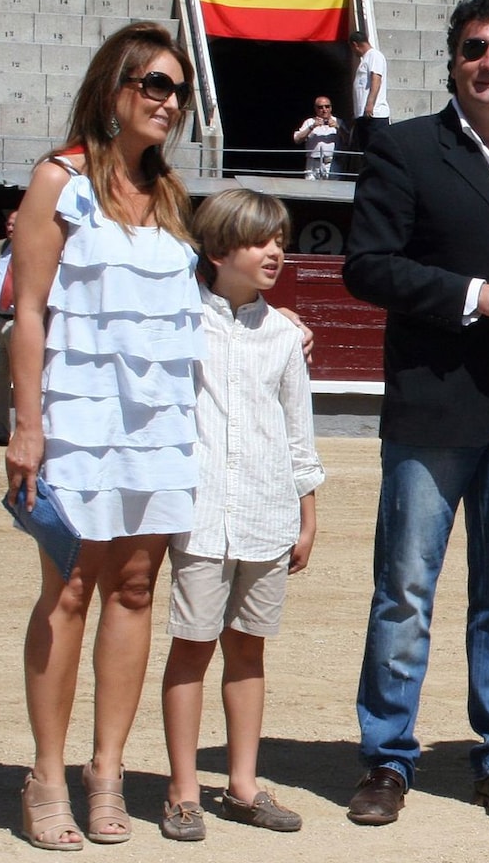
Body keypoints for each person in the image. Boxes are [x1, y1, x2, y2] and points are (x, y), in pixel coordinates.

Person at [342, 0, 489, 825]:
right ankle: (386, 758)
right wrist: (484, 296)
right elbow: (367, 266)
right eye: (476, 47)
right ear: (454, 60)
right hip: (434, 403)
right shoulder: (405, 148)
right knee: (405, 587)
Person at [7, 22, 203, 850]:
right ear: (114, 87)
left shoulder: (170, 194)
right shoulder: (60, 180)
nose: (168, 101)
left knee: (134, 588)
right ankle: (46, 779)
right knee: (69, 588)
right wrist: (27, 425)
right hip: (78, 417)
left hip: (158, 423)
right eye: (153, 83)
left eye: (179, 90)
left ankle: (107, 771)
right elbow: (27, 309)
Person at [160, 189, 325, 842]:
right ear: (218, 250)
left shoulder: (284, 335)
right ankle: (179, 789)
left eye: (279, 240)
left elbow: (298, 435)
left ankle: (243, 784)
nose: (276, 252)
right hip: (199, 514)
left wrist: (307, 516)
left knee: (249, 651)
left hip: (266, 512)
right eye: (261, 241)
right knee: (192, 646)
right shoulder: (180, 322)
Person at [0, 209, 17, 444]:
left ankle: (22, 431)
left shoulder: (36, 249)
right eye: (8, 223)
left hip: (18, 321)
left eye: (15, 224)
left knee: (22, 378)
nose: (10, 228)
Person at [349, 30, 390, 153]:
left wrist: (370, 104)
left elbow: (376, 79)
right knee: (365, 152)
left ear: (355, 45)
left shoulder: (374, 55)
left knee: (375, 151)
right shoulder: (365, 59)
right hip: (364, 116)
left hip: (373, 115)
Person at [293, 96, 348, 179]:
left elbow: (349, 140)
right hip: (313, 163)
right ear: (315, 108)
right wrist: (312, 127)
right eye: (320, 107)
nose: (324, 110)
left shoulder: (338, 121)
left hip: (332, 163)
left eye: (327, 106)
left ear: (331, 107)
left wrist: (338, 127)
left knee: (333, 189)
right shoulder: (309, 122)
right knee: (311, 189)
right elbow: (297, 140)